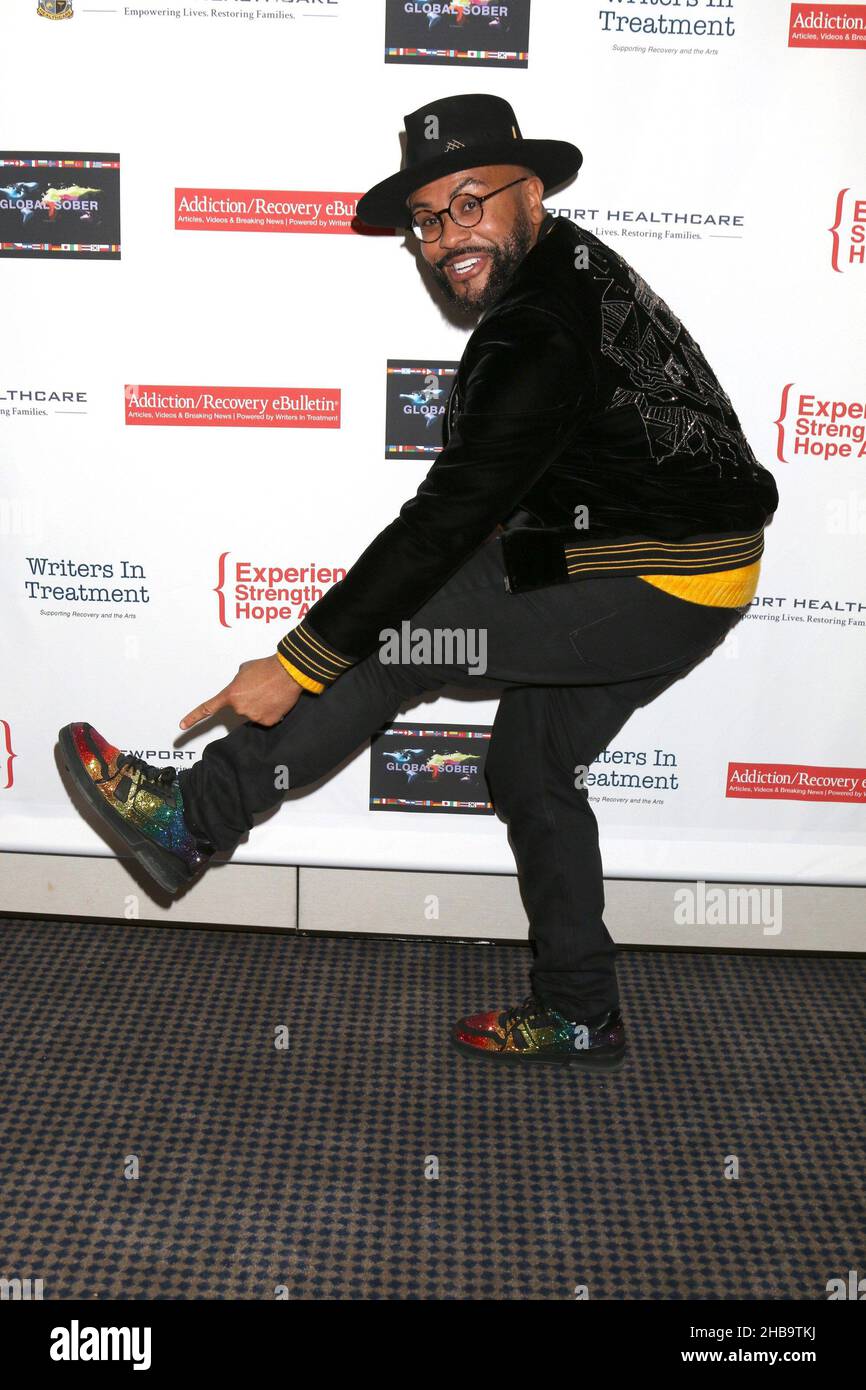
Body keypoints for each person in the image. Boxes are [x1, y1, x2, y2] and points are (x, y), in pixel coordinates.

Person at [58, 94, 778, 1072]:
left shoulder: (535, 331)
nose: (448, 237)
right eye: (428, 220)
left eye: (470, 201)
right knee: (528, 767)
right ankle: (579, 1008)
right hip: (671, 561)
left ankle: (196, 815)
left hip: (649, 573)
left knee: (392, 645)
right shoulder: (567, 262)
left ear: (530, 192)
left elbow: (442, 523)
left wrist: (298, 658)